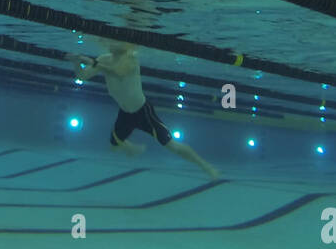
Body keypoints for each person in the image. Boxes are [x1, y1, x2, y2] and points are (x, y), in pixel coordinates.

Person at [67, 40, 221, 180]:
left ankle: (205, 166)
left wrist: (93, 62)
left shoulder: (131, 58)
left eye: (115, 40)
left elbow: (118, 72)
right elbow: (82, 76)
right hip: (125, 113)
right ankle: (132, 149)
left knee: (171, 145)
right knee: (113, 145)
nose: (111, 43)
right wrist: (76, 62)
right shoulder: (103, 59)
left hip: (143, 112)